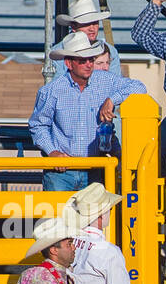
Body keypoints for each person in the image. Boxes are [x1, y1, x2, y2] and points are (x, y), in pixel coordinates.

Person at [29, 31, 147, 192]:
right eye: (82, 60)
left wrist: (112, 100)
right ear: (68, 63)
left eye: (91, 59)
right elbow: (38, 126)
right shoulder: (52, 91)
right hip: (62, 172)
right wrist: (53, 152)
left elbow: (139, 87)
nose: (89, 64)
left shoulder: (104, 80)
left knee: (94, 217)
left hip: (96, 168)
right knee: (60, 217)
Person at [51, 0, 120, 80]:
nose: (92, 28)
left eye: (95, 23)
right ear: (73, 26)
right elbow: (58, 86)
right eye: (86, 24)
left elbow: (116, 83)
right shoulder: (58, 53)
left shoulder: (111, 51)